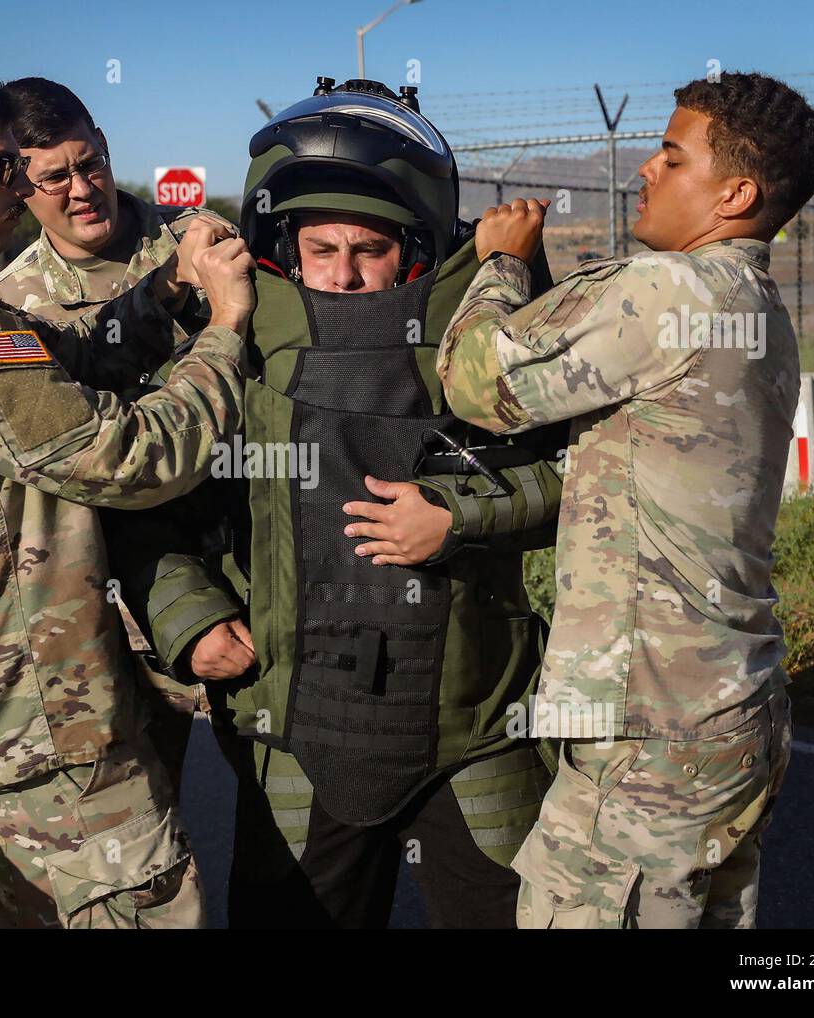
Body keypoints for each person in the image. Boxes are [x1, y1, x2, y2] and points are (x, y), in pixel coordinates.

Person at [113, 78, 566, 928]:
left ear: (419, 247)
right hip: (294, 728)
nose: (348, 274)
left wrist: (456, 516)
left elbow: (579, 481)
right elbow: (147, 510)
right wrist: (190, 622)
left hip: (474, 729)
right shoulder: (231, 352)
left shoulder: (486, 343)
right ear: (285, 246)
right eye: (324, 249)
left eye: (373, 249)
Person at [0, 48, 255, 929]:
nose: (18, 188)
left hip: (1, 724)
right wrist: (225, 328)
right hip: (44, 729)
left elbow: (85, 361)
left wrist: (173, 289)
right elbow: (128, 456)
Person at [437, 71, 814, 928]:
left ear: (735, 193)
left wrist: (497, 261)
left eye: (670, 154)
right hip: (732, 704)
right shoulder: (757, 303)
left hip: (650, 724)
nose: (645, 169)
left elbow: (477, 381)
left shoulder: (672, 291)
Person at [0, 77, 236, 791]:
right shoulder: (12, 307)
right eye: (53, 176)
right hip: (121, 616)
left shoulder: (200, 243)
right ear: (17, 184)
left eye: (89, 162)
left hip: (248, 574)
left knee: (285, 818)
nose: (82, 188)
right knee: (143, 816)